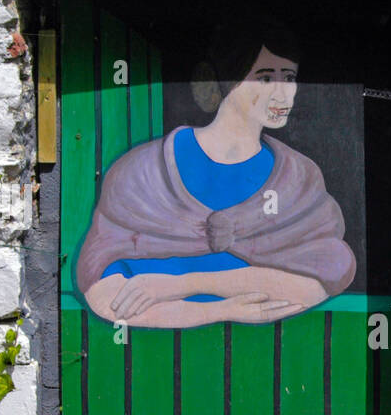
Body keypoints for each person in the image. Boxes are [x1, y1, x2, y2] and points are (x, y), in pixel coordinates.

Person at [75, 18, 356, 329]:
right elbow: (101, 290)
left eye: (288, 77)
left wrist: (178, 285)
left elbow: (320, 279)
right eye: (263, 79)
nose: (282, 94)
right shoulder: (142, 171)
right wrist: (218, 311)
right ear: (227, 80)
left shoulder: (298, 177)